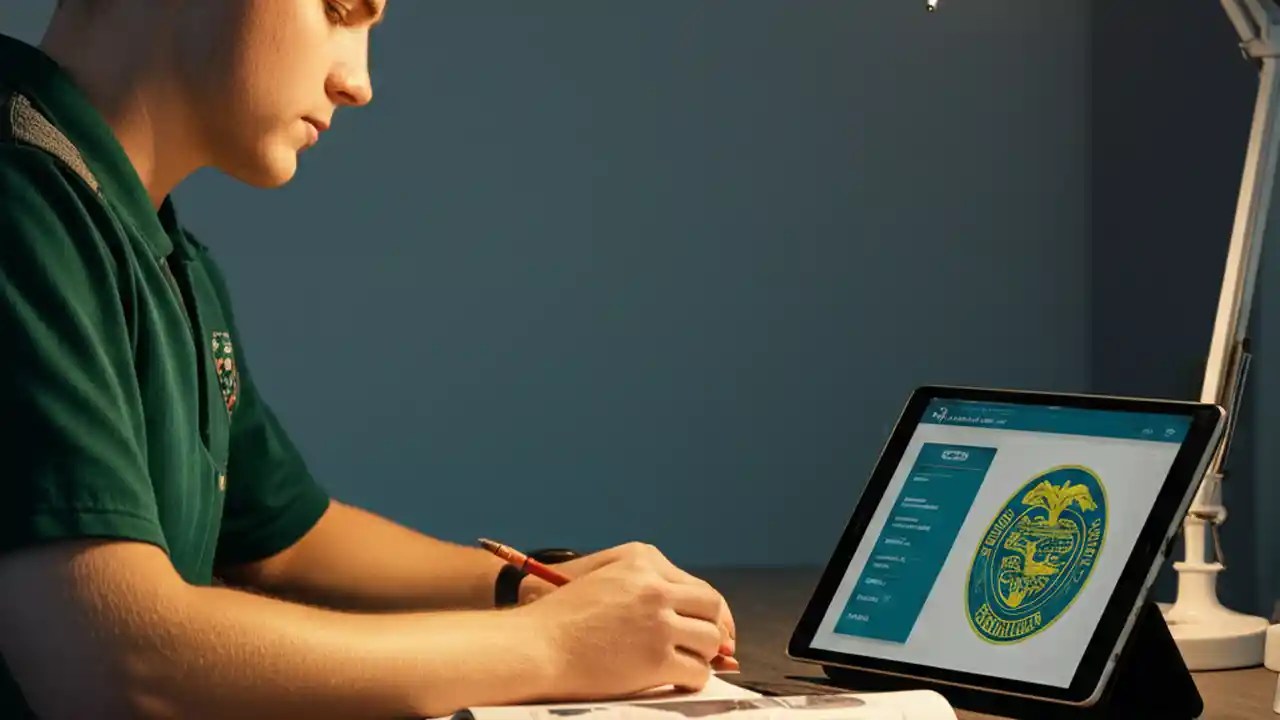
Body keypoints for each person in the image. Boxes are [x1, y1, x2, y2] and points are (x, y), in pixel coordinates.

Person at [0, 2, 738, 718]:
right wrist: (554, 645)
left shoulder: (154, 247)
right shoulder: (20, 204)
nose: (359, 81)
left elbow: (286, 541)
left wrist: (533, 587)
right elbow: (113, 664)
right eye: (339, 8)